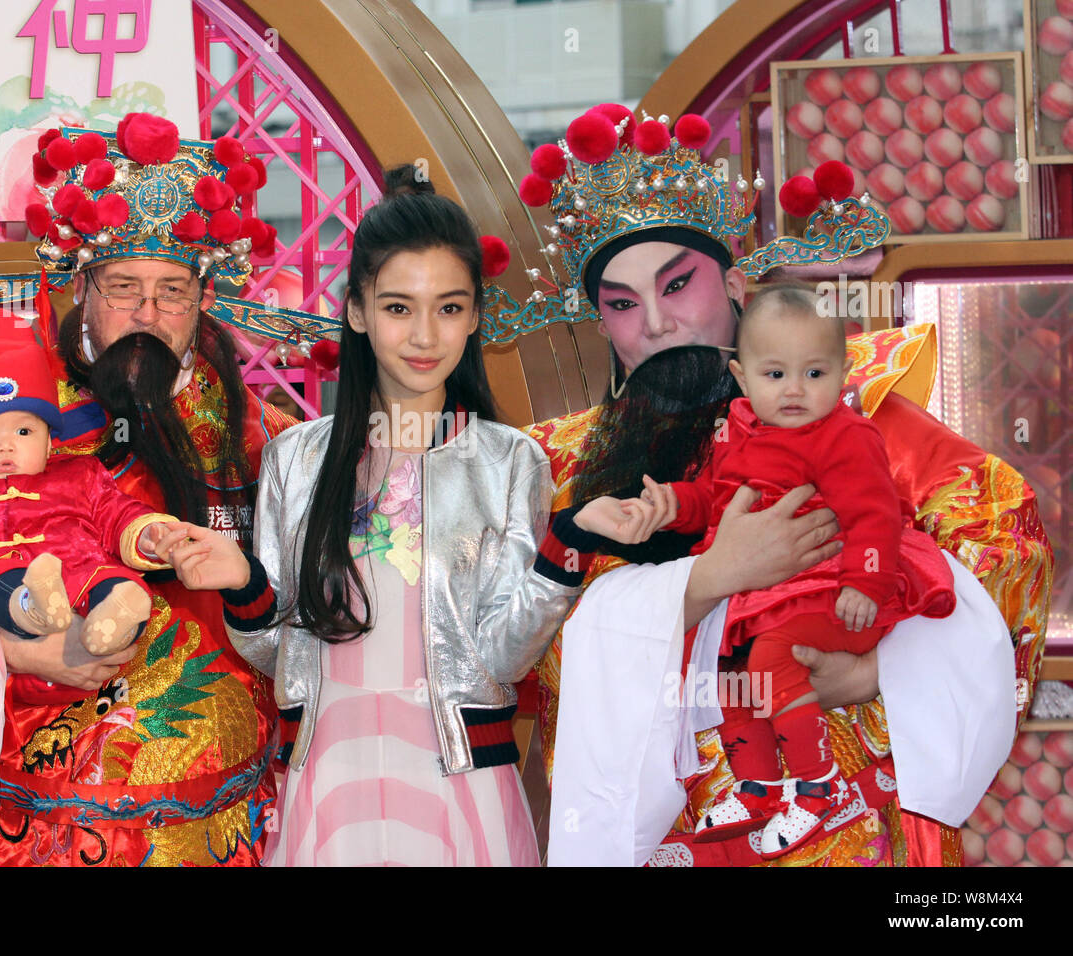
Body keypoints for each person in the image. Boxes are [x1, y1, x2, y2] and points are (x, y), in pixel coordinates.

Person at [506, 104, 1051, 866]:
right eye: (624, 305)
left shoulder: (843, 407)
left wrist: (879, 669)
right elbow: (519, 661)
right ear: (602, 325)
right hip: (659, 826)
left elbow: (1005, 536)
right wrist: (706, 581)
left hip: (841, 817)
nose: (657, 323)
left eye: (678, 285)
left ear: (732, 282)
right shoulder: (562, 469)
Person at [0, 112, 303, 866]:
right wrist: (14, 653)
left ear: (202, 298)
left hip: (219, 819)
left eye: (173, 290)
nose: (147, 314)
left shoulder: (261, 441)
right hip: (34, 823)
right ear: (79, 285)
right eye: (122, 286)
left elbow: (321, 621)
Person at [152, 168, 654, 866]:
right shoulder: (296, 458)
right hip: (331, 772)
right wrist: (242, 584)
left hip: (458, 774)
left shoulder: (510, 461)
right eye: (397, 308)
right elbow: (275, 654)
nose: (424, 335)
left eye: (449, 308)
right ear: (357, 311)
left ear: (477, 314)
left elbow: (508, 655)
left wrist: (566, 546)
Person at [612, 286, 957, 857]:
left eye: (814, 372)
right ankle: (758, 786)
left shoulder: (845, 435)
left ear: (841, 373)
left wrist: (863, 585)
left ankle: (817, 787)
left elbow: (876, 515)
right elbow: (717, 498)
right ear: (743, 380)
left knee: (773, 661)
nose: (794, 389)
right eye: (775, 374)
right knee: (727, 670)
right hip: (761, 597)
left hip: (833, 588)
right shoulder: (736, 427)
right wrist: (674, 504)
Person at [0, 312, 193, 656]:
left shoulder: (80, 473)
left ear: (50, 441)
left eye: (24, 432)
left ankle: (117, 618)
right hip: (1, 579)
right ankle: (32, 607)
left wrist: (147, 535)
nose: (6, 445)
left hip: (83, 569)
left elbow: (117, 512)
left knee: (112, 580)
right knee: (0, 580)